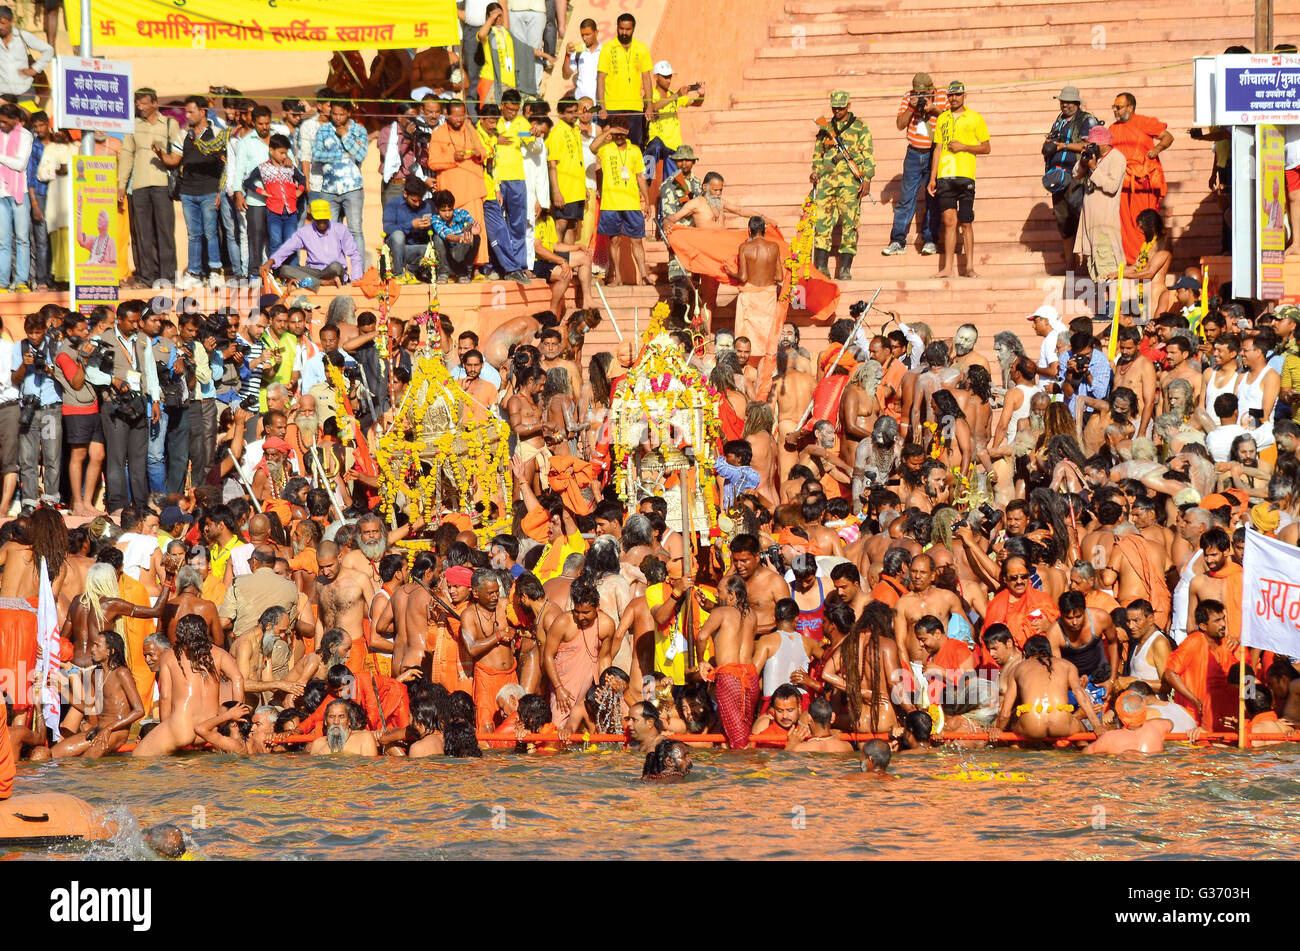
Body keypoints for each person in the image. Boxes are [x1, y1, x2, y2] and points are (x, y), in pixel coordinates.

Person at [156, 95, 226, 286]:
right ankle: (194, 274)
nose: (186, 115)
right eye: (186, 111)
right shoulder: (183, 134)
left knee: (211, 232)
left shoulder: (218, 133)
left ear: (202, 112)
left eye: (190, 111)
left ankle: (215, 272)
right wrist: (160, 154)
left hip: (210, 190)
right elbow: (174, 160)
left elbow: (226, 165)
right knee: (194, 234)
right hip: (188, 192)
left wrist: (221, 191)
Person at [118, 88, 180, 288]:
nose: (140, 107)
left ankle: (168, 277)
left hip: (162, 183)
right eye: (137, 104)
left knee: (165, 232)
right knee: (143, 233)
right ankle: (147, 277)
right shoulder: (133, 125)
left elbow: (178, 152)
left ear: (155, 102)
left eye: (144, 103)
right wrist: (121, 185)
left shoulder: (170, 123)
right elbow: (127, 155)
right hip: (139, 185)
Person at [928, 81, 990, 279]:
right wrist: (932, 177)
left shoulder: (975, 118)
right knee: (948, 221)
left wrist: (964, 147)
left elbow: (986, 147)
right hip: (945, 175)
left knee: (966, 221)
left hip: (965, 175)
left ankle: (969, 267)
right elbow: (937, 148)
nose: (954, 98)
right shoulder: (942, 118)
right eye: (951, 95)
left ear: (964, 96)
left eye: (957, 95)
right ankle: (947, 268)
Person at [811, 89, 874, 279]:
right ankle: (821, 266)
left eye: (841, 107)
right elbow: (818, 153)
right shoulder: (825, 128)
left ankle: (845, 269)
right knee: (822, 222)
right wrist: (815, 171)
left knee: (850, 223)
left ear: (848, 105)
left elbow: (868, 156)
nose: (837, 111)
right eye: (834, 108)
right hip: (827, 182)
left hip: (850, 184)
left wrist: (868, 178)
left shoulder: (860, 127)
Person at [882, 72, 946, 257]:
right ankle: (898, 240)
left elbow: (950, 119)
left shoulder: (941, 96)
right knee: (905, 199)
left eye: (923, 93)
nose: (920, 96)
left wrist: (933, 109)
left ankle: (930, 240)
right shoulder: (908, 97)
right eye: (917, 92)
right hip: (913, 153)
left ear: (931, 89)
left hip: (934, 153)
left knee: (932, 198)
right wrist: (911, 108)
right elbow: (900, 124)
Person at [1108, 92, 1173, 263]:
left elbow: (1168, 137)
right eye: (1114, 107)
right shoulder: (1113, 128)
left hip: (1142, 184)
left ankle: (1146, 258)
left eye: (1119, 107)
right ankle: (1130, 261)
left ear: (1130, 107)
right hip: (1122, 184)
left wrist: (1156, 150)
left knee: (1143, 222)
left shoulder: (1143, 122)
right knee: (1124, 225)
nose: (1115, 110)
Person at [1042, 85, 1099, 272]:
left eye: (1068, 102)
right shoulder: (1058, 121)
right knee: (1064, 222)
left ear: (1076, 103)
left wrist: (1061, 146)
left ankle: (1090, 265)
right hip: (1058, 178)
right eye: (1062, 101)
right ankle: (1070, 266)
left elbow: (1089, 145)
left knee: (1084, 221)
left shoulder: (1086, 119)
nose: (1065, 105)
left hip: (1078, 177)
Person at [591, 121, 651, 286]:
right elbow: (592, 147)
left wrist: (647, 199)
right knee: (614, 240)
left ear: (627, 132)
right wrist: (609, 131)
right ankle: (617, 277)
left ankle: (644, 274)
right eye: (615, 134)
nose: (618, 137)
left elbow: (640, 176)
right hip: (611, 203)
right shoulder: (607, 148)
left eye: (621, 133)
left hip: (631, 202)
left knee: (637, 240)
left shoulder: (635, 150)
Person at [311, 98, 368, 261]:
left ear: (348, 113)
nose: (337, 118)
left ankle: (359, 272)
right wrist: (343, 156)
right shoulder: (324, 130)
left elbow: (361, 155)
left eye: (341, 114)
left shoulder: (358, 130)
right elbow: (316, 155)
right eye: (334, 114)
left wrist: (345, 136)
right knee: (329, 231)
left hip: (352, 188)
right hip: (329, 189)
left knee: (355, 230)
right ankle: (336, 271)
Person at [265, 200, 362, 287]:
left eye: (324, 219)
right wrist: (271, 261)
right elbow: (287, 248)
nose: (321, 223)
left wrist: (356, 279)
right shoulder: (304, 232)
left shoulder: (340, 229)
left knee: (336, 267)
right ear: (313, 218)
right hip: (313, 272)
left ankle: (313, 283)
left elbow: (354, 254)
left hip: (334, 271)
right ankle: (323, 283)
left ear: (328, 217)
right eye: (318, 220)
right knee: (284, 270)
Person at [1075, 126, 1126, 288]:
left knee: (1109, 271)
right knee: (1095, 271)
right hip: (1089, 224)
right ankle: (1105, 311)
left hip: (1105, 225)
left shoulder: (1116, 158)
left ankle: (1113, 311)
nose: (1091, 146)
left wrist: (1093, 168)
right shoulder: (1092, 156)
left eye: (1094, 143)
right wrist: (1085, 161)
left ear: (1104, 143)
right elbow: (1076, 174)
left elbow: (1112, 186)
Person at [595, 12, 652, 146]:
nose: (624, 32)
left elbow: (647, 78)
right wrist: (602, 107)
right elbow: (600, 79)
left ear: (633, 29)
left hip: (635, 107)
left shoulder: (642, 49)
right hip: (613, 107)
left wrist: (649, 106)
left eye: (628, 29)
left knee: (635, 147)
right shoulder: (607, 49)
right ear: (617, 28)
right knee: (614, 147)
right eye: (621, 29)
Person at [0, 102, 31, 292]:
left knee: (22, 239)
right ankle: (2, 282)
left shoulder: (26, 136)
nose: (2, 125)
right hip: (0, 192)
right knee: (3, 241)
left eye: (4, 122)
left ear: (15, 120)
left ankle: (21, 281)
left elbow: (20, 165)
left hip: (20, 192)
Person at [383, 177, 436, 278]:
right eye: (414, 200)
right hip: (395, 249)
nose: (418, 204)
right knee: (398, 235)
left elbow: (428, 236)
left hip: (413, 249)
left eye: (420, 200)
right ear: (405, 194)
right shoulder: (393, 204)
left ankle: (410, 268)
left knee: (431, 249)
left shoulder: (426, 207)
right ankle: (399, 274)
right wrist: (411, 225)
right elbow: (388, 229)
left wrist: (428, 227)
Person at [309, 698, 379, 756]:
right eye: (332, 717)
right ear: (325, 721)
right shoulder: (318, 744)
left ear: (349, 721)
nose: (336, 722)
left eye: (341, 717)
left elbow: (370, 770)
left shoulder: (364, 738)